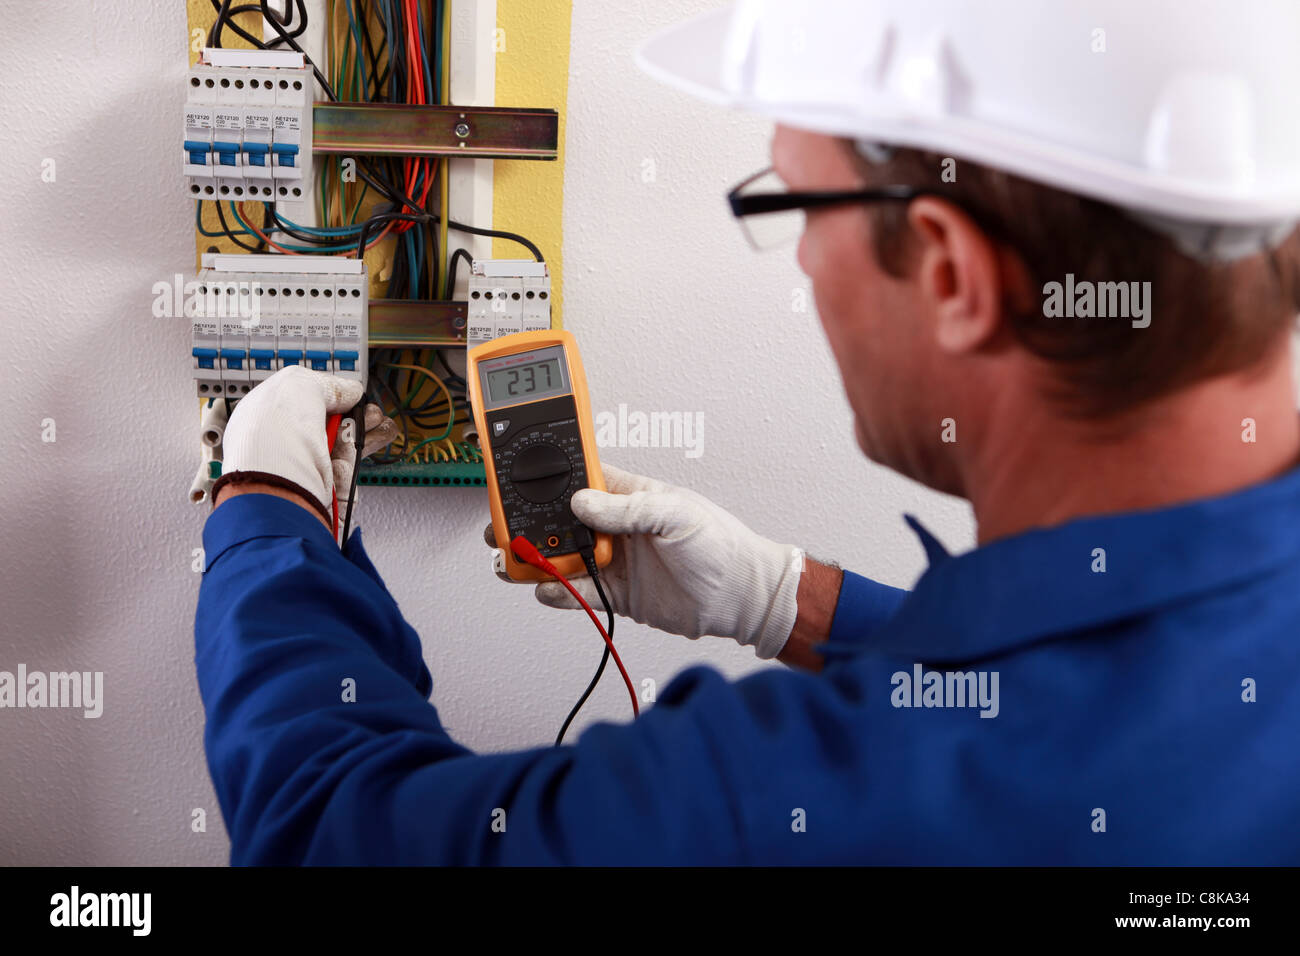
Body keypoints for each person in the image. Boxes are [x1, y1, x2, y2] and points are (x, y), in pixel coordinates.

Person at [195, 0, 1300, 864]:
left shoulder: (789, 805)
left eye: (792, 206)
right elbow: (1087, 682)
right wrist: (792, 600)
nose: (807, 264)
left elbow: (327, 834)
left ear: (954, 272)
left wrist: (266, 509)